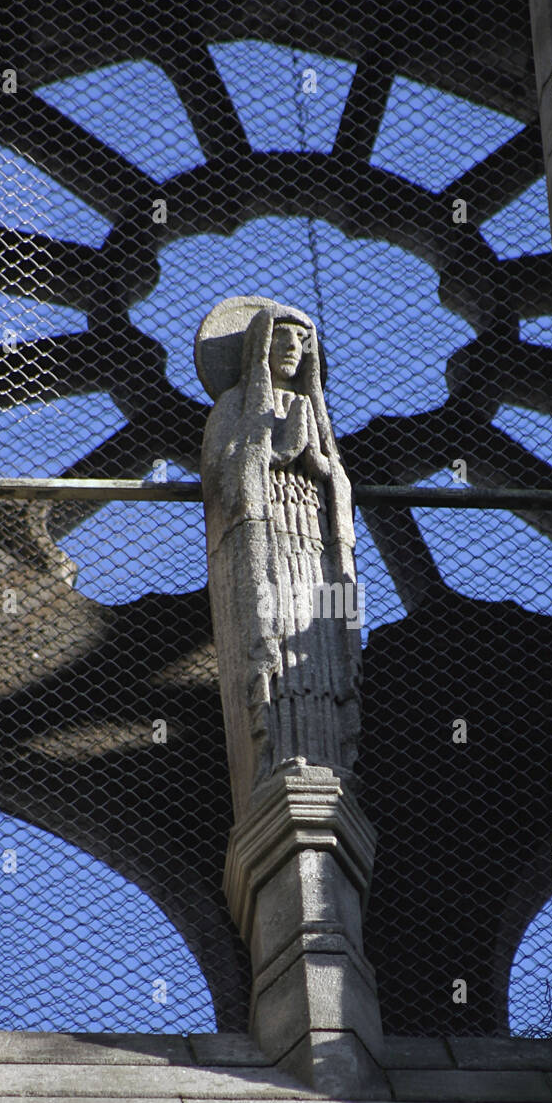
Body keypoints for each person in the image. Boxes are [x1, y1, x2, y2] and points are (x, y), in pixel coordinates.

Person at [200, 300, 362, 820]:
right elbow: (224, 480)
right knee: (278, 638)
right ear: (260, 348)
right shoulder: (234, 407)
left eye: (301, 344)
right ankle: (280, 751)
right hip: (268, 543)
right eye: (283, 341)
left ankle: (325, 755)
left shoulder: (313, 408)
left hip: (313, 542)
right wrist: (271, 448)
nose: (292, 350)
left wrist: (318, 462)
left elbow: (335, 478)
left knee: (317, 646)